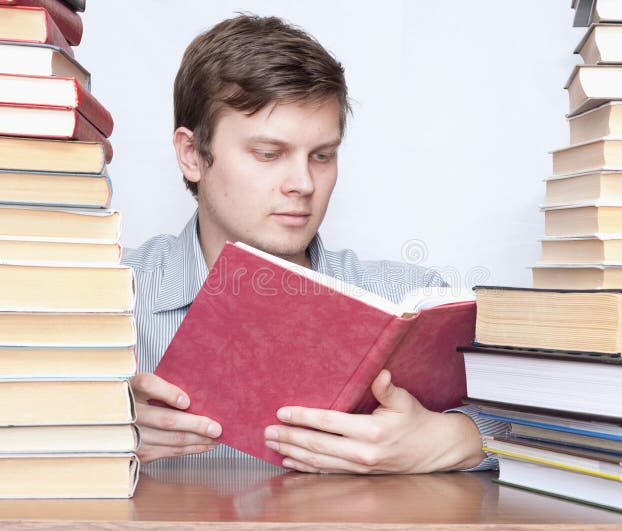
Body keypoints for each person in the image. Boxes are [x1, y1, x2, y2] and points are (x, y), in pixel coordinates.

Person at [124, 13, 507, 473]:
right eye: (269, 154)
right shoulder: (103, 298)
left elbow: (547, 422)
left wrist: (460, 437)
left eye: (322, 156)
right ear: (192, 155)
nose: (303, 183)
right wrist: (90, 432)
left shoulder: (411, 298)